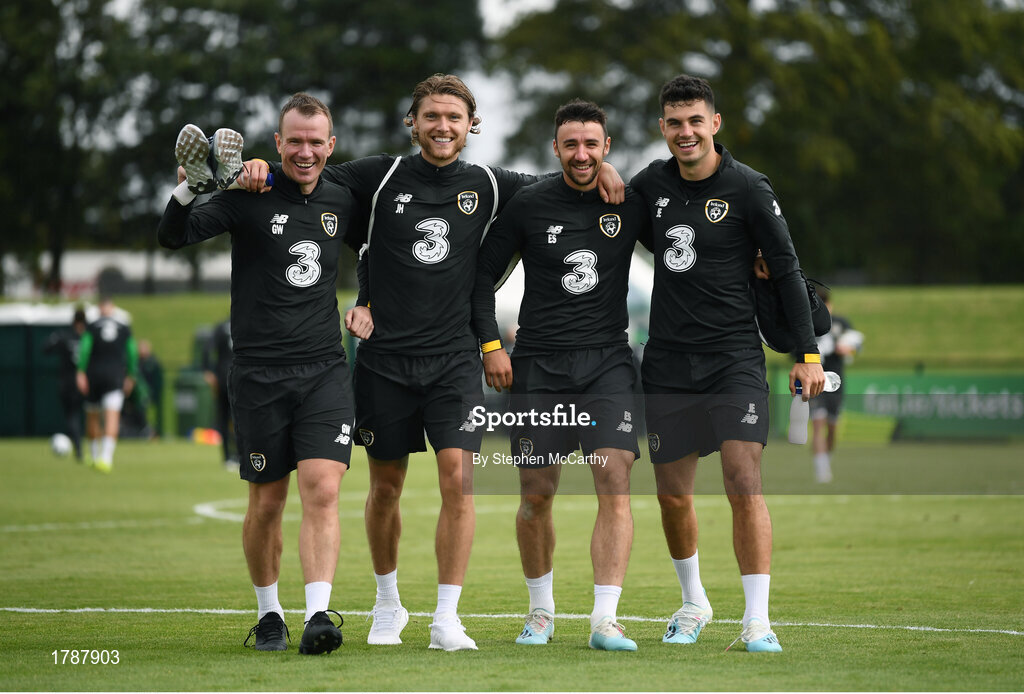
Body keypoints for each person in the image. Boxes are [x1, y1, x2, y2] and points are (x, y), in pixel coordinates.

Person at [242, 74, 624, 651]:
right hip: (384, 363)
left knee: (458, 482)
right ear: (412, 124)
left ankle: (447, 617)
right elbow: (306, 177)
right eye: (431, 117)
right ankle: (388, 604)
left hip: (453, 364)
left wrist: (607, 173)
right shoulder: (377, 176)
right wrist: (257, 169)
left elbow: (564, 180)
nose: (442, 127)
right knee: (386, 488)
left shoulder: (493, 185)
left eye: (453, 117)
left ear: (471, 125)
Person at [630, 74, 825, 652]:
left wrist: (807, 352)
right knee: (672, 496)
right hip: (666, 362)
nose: (685, 132)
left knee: (744, 483)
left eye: (696, 121)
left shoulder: (748, 188)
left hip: (735, 358)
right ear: (661, 128)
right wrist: (612, 178)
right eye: (674, 122)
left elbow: (786, 269)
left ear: (715, 124)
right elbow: (619, 226)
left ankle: (757, 621)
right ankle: (693, 603)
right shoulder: (650, 185)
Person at [158, 93, 357, 655]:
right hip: (259, 373)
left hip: (323, 370)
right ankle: (270, 617)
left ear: (331, 145)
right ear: (277, 141)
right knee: (266, 503)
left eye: (316, 141)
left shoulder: (343, 195)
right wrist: (191, 189)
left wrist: (367, 299)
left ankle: (319, 614)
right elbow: (174, 236)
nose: (305, 151)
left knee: (322, 488)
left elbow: (380, 245)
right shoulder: (248, 195)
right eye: (294, 140)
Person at [472, 99, 650, 651]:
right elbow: (480, 279)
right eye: (571, 144)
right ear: (556, 148)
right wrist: (491, 346)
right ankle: (541, 612)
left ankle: (604, 620)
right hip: (539, 369)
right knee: (535, 495)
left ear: (607, 147)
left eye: (591, 144)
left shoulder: (630, 202)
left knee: (614, 484)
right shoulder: (529, 203)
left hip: (607, 366)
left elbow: (688, 248)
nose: (581, 154)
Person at [806, 287, 862, 483]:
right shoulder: (806, 324)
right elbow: (793, 353)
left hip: (836, 383)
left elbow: (856, 347)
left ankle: (825, 460)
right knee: (818, 424)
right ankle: (822, 470)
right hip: (815, 382)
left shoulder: (840, 323)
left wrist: (846, 349)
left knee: (832, 428)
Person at [76, 297, 138, 473]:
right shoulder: (124, 327)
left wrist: (81, 372)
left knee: (93, 416)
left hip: (94, 376)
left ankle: (95, 456)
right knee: (112, 416)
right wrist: (131, 375)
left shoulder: (93, 326)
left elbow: (85, 349)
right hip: (115, 377)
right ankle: (106, 458)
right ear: (113, 308)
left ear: (99, 308)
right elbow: (132, 351)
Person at [43, 307, 88, 461]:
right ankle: (91, 449)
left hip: (68, 383)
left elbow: (46, 349)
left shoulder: (65, 336)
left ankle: (79, 448)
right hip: (86, 383)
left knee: (72, 415)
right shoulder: (88, 338)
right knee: (87, 414)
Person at [203, 317, 236, 470]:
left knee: (223, 418)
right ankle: (239, 455)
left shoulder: (220, 327)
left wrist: (208, 371)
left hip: (222, 378)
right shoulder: (245, 322)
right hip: (239, 378)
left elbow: (207, 349)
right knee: (239, 419)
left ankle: (228, 457)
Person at [137, 339, 164, 439]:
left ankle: (153, 432)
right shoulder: (138, 362)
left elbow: (157, 380)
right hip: (140, 394)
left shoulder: (153, 363)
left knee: (153, 414)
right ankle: (143, 430)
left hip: (152, 393)